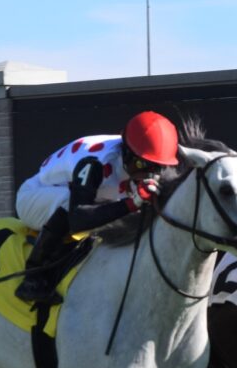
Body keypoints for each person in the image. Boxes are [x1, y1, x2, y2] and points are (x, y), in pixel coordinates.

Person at [14, 110, 180, 304]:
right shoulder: (95, 163)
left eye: (157, 167)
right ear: (126, 152)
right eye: (143, 165)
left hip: (88, 199)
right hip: (34, 197)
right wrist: (131, 203)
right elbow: (78, 220)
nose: (149, 174)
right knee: (73, 201)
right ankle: (33, 276)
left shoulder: (144, 153)